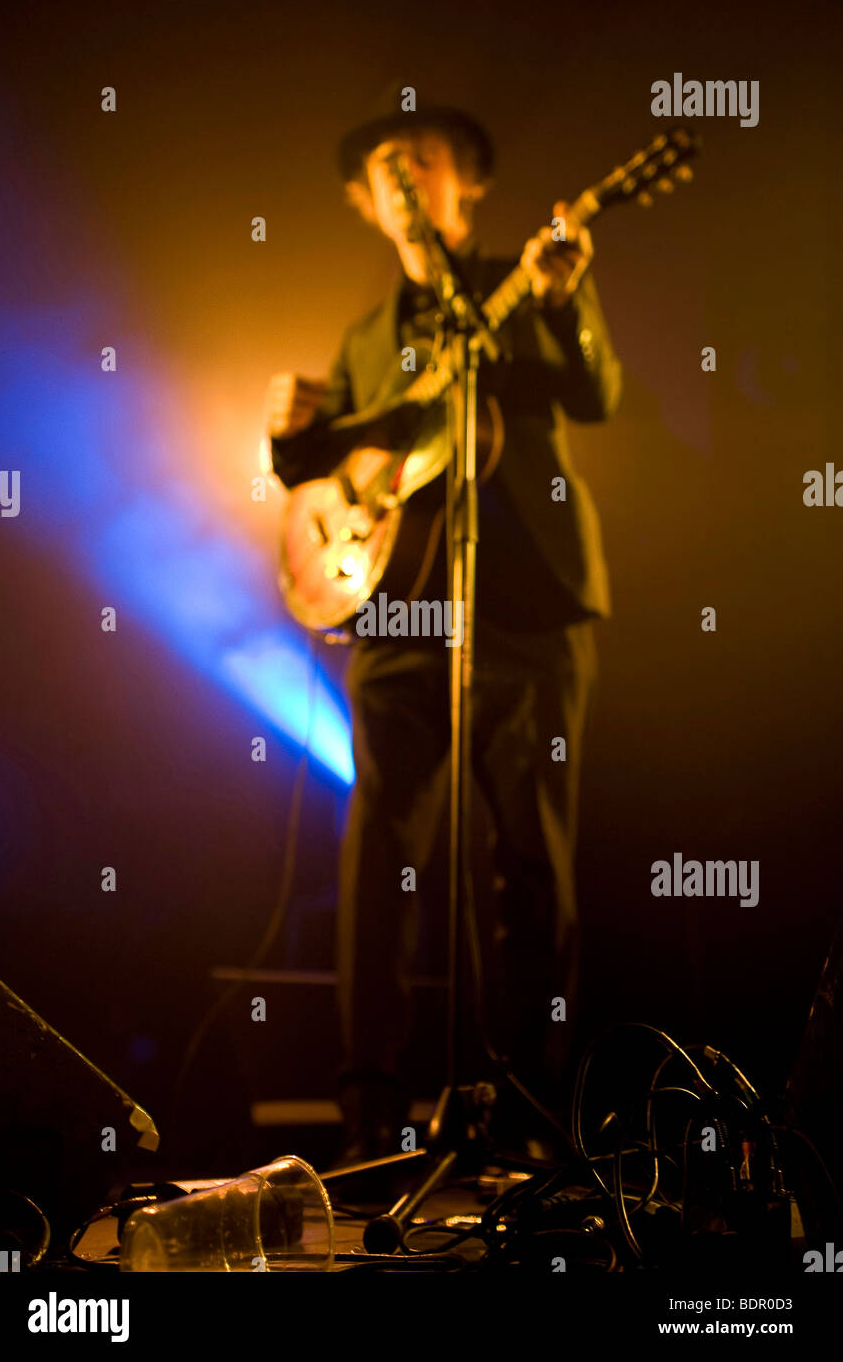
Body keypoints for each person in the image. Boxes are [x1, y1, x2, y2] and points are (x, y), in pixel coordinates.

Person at [266, 104, 622, 1164]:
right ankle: (368, 1106)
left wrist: (564, 308)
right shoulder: (366, 338)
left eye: (415, 162)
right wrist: (295, 442)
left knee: (528, 866)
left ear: (464, 185)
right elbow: (334, 470)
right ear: (362, 207)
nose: (401, 182)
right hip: (397, 610)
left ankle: (527, 1114)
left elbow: (594, 389)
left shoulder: (530, 279)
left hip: (523, 605)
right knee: (382, 853)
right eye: (382, 173)